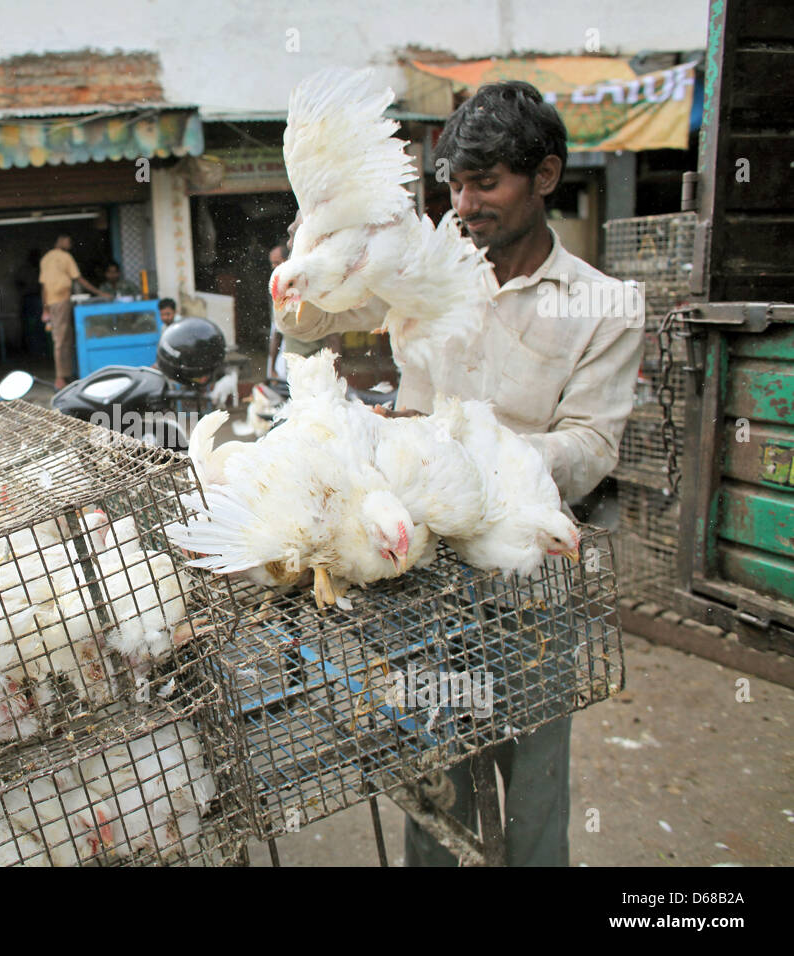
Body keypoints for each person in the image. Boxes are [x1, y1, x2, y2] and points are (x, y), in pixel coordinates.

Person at [274, 81, 642, 867]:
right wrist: (311, 259)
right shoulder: (428, 263)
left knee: (534, 792)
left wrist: (471, 458)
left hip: (527, 583)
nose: (466, 203)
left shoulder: (604, 307)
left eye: (487, 183)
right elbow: (309, 319)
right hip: (421, 573)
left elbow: (591, 447)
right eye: (454, 184)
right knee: (438, 781)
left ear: (545, 177)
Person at [266, 242, 341, 380]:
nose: (273, 268)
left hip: (317, 366)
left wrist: (336, 374)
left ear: (287, 261)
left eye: (277, 263)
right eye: (272, 264)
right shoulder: (280, 296)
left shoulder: (313, 292)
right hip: (294, 368)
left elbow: (332, 337)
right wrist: (271, 369)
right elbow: (276, 333)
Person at [40, 234, 105, 389]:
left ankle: (65, 375)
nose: (70, 244)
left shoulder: (46, 258)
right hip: (61, 301)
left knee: (64, 339)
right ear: (61, 240)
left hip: (52, 302)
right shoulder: (65, 257)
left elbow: (43, 286)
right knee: (61, 340)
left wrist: (45, 307)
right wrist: (100, 293)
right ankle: (60, 378)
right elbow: (79, 278)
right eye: (69, 241)